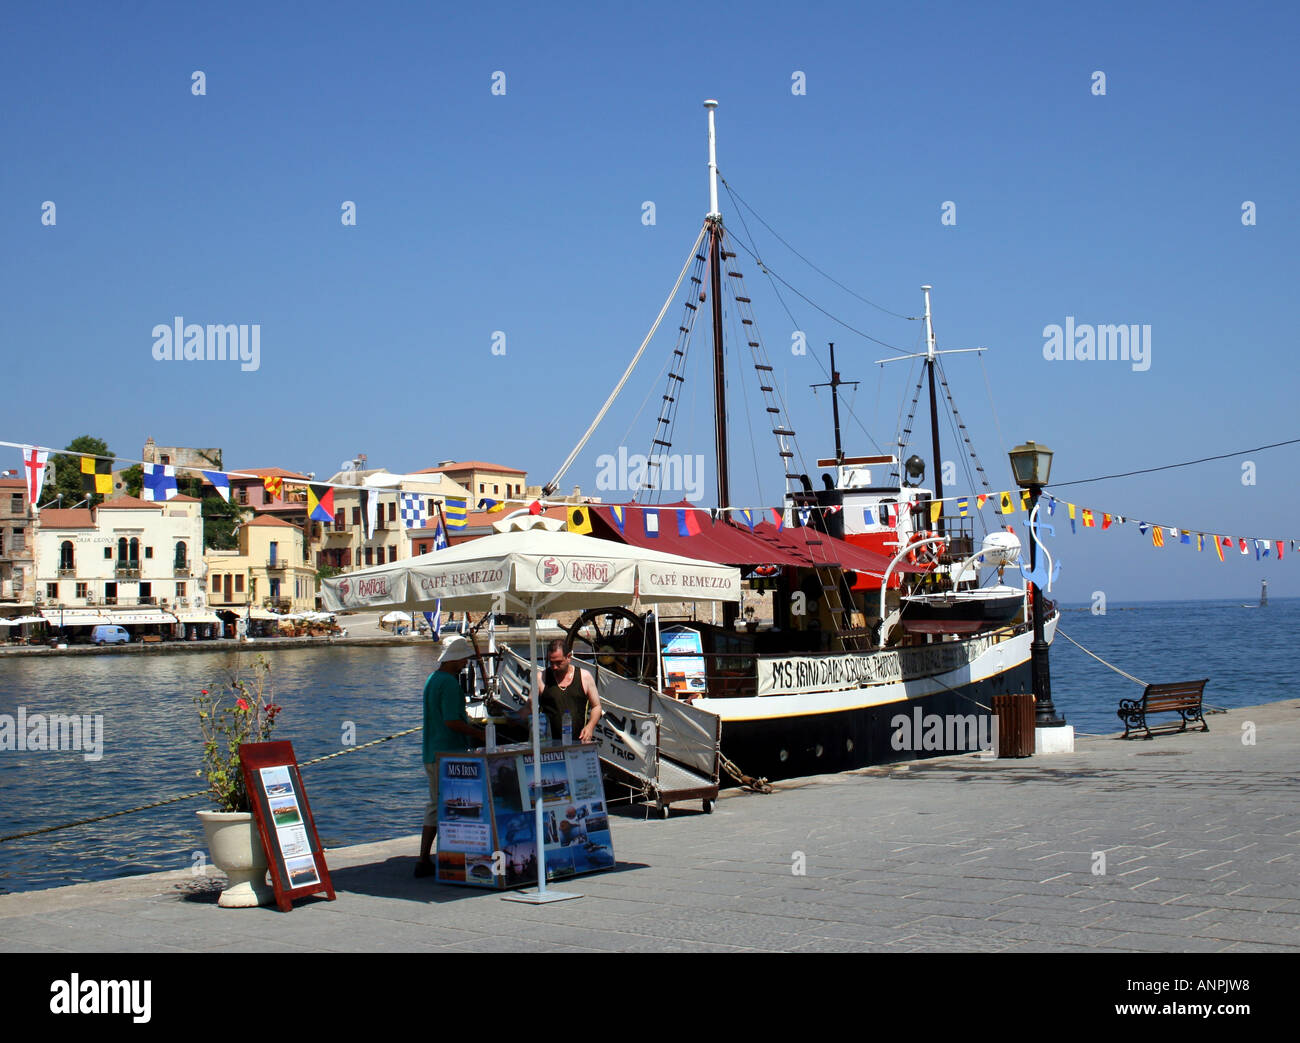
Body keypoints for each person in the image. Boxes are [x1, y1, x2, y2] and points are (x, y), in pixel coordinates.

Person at [414, 636, 485, 878]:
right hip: (446, 753)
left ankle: (441, 854)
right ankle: (425, 858)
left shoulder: (432, 679)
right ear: (454, 659)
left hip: (432, 750)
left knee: (439, 804)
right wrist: (478, 733)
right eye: (464, 657)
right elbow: (451, 720)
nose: (466, 662)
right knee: (441, 805)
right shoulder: (450, 684)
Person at [532, 639, 602, 743]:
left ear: (569, 657)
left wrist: (590, 727)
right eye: (551, 663)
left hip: (578, 743)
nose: (554, 667)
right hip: (550, 745)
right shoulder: (541, 678)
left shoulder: (585, 676)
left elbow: (597, 706)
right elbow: (529, 707)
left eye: (559, 662)